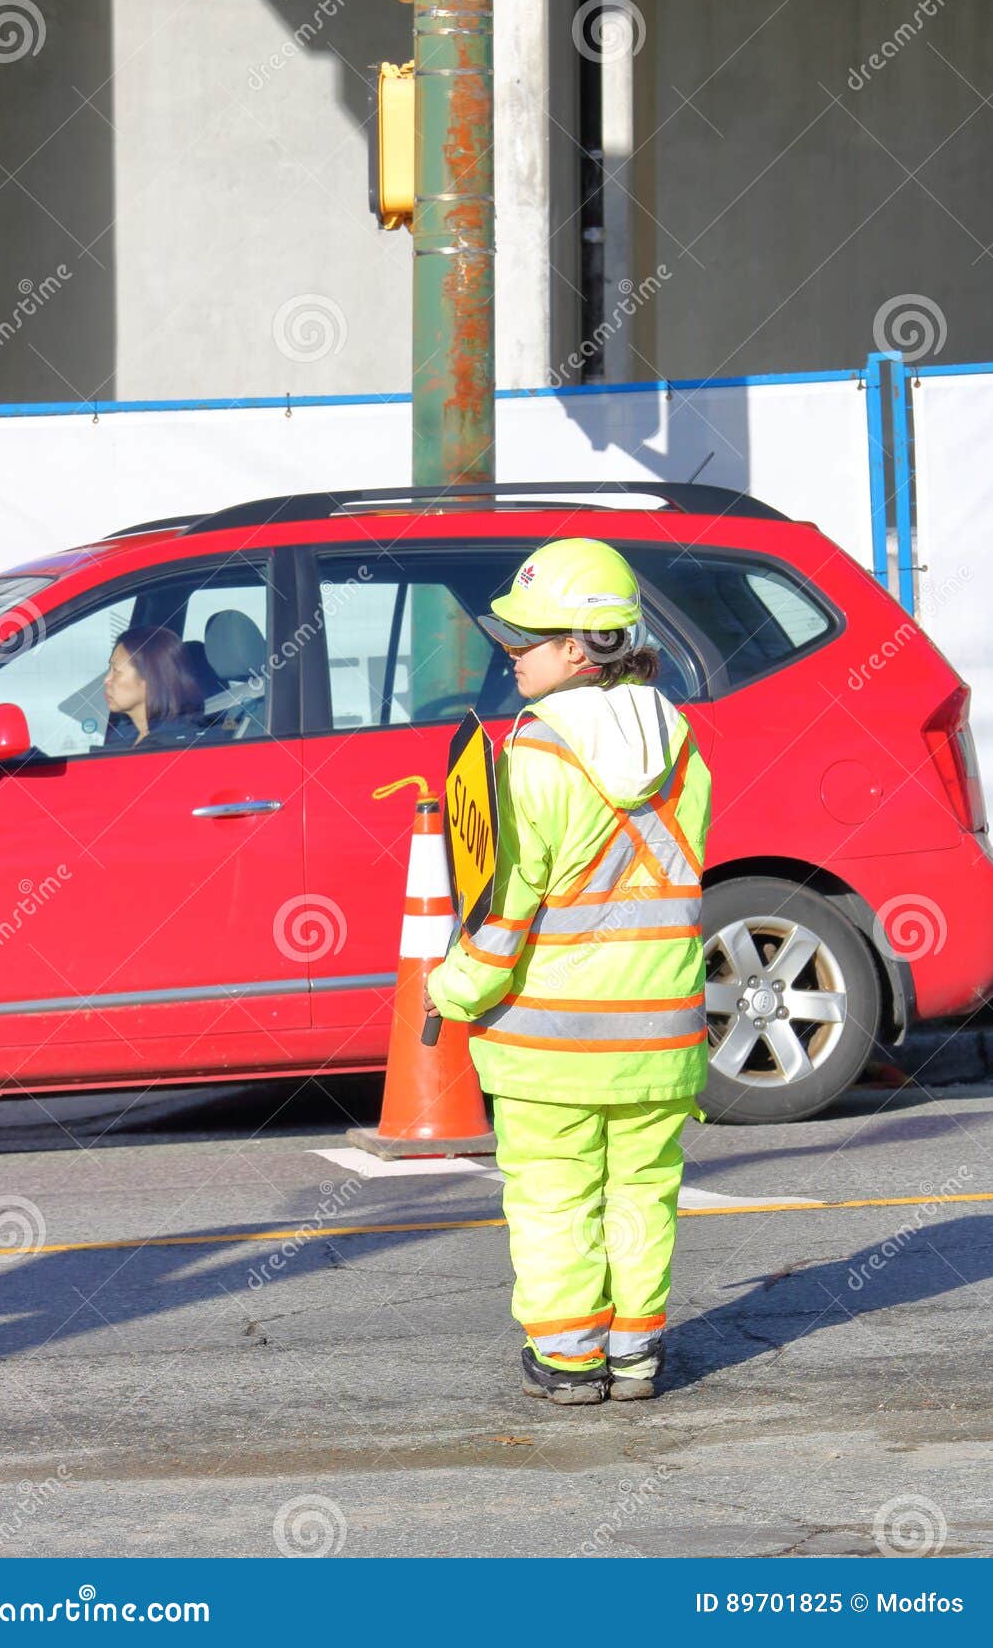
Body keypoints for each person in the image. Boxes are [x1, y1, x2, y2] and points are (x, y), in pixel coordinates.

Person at [425, 539, 712, 1405]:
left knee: (553, 1200)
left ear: (580, 649)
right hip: (660, 1037)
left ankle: (569, 1360)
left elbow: (505, 911)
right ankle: (635, 1357)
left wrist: (452, 991)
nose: (508, 652)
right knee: (643, 1197)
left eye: (526, 639)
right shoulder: (682, 745)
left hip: (549, 1041)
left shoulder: (535, 755)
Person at [103, 626, 205, 749]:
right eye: (110, 669)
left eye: (116, 671)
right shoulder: (122, 735)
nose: (106, 680)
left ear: (150, 677)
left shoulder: (175, 747)